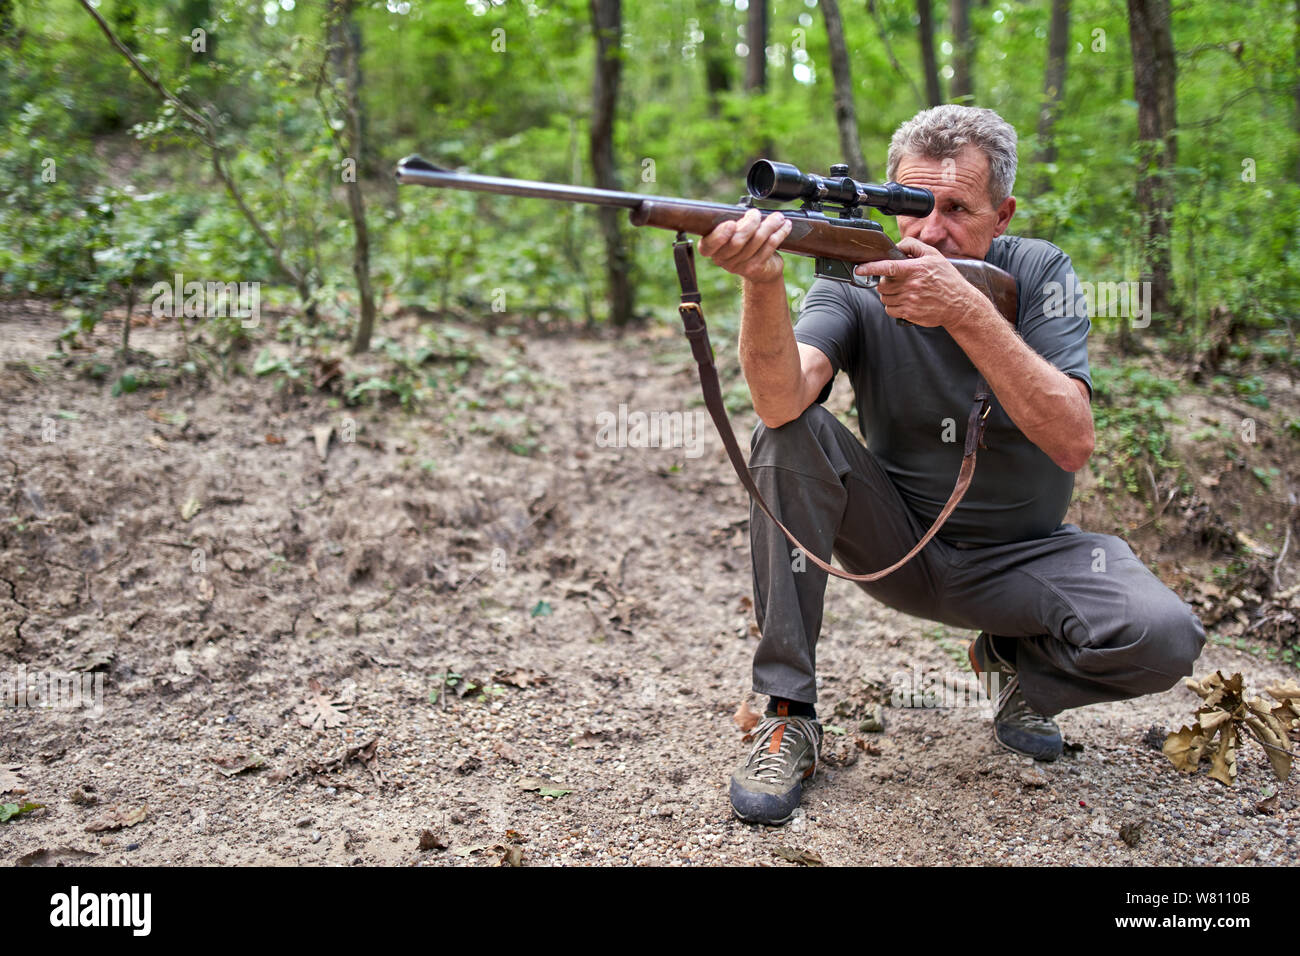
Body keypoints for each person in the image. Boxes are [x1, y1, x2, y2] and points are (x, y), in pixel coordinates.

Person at [696, 105, 1207, 827]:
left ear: (1004, 214)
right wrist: (761, 282)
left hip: (1020, 562)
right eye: (911, 206)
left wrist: (966, 313)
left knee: (1164, 636)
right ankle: (788, 713)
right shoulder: (855, 276)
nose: (928, 231)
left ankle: (1016, 660)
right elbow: (780, 400)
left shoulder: (1037, 270)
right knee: (787, 435)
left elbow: (1072, 439)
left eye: (956, 209)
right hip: (897, 545)